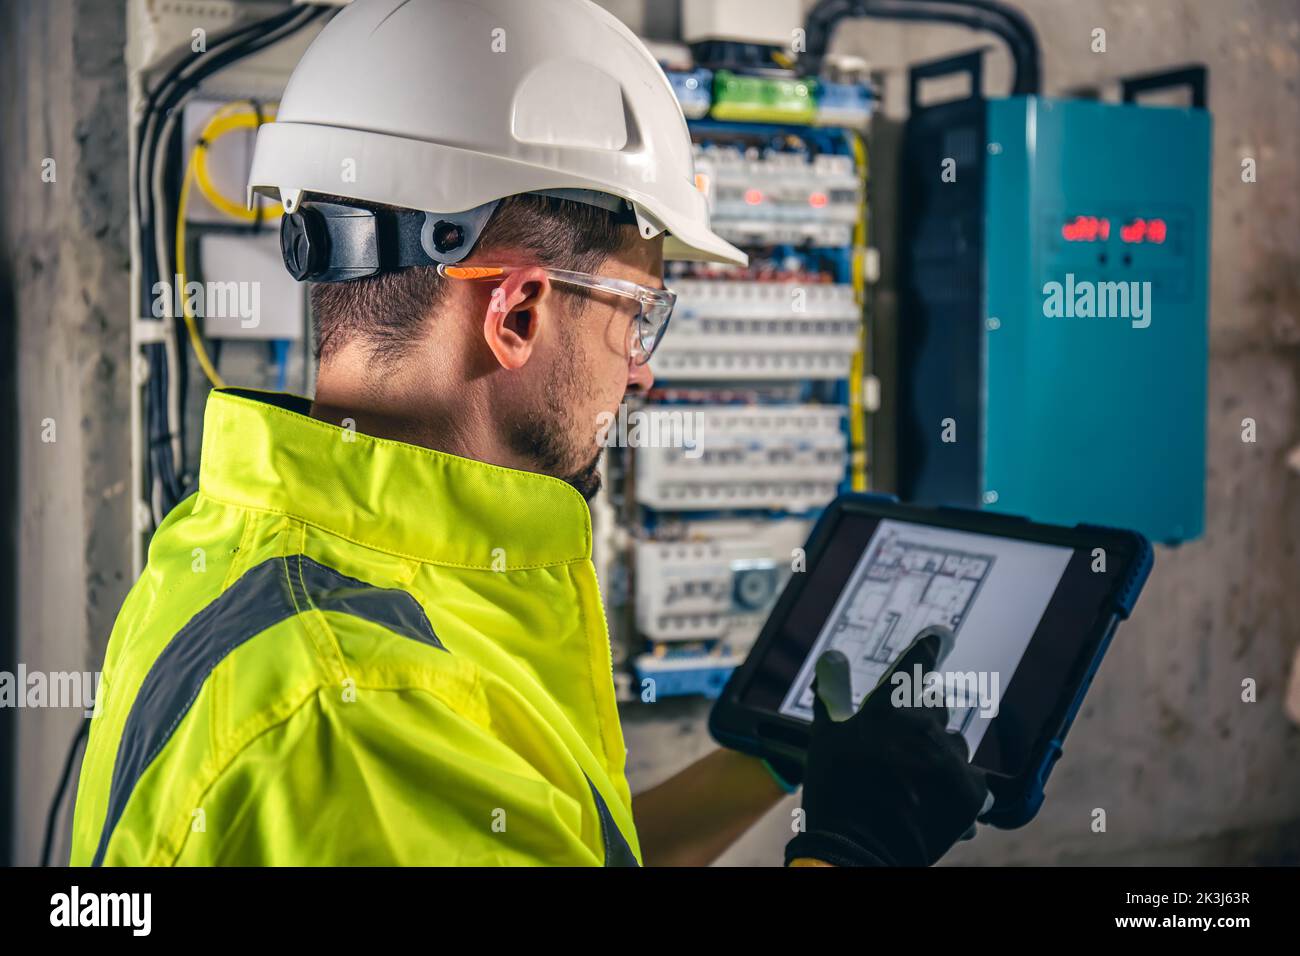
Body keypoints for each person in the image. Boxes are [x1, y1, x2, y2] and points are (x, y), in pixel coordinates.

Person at [70, 0, 986, 866]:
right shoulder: (364, 701)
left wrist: (778, 761)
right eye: (638, 315)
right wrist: (857, 851)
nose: (642, 370)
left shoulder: (234, 548)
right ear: (517, 314)